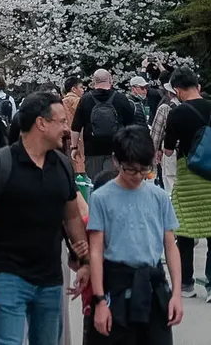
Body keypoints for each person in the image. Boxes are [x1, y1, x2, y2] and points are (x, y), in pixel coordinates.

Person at [0, 91, 90, 341]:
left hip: (50, 279)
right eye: (61, 122)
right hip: (7, 275)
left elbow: (72, 217)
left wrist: (84, 262)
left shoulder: (63, 165)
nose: (67, 129)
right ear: (41, 123)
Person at [86, 126, 183, 344]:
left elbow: (170, 246)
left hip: (152, 284)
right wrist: (100, 300)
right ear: (116, 161)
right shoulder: (101, 198)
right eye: (131, 170)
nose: (138, 176)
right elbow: (96, 252)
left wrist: (176, 294)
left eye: (144, 169)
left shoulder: (159, 197)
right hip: (117, 285)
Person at [160, 66, 211, 300]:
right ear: (197, 86)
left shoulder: (177, 113)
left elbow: (168, 150)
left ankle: (186, 283)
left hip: (189, 175)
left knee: (186, 230)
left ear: (178, 90)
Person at [73, 69, 145, 179]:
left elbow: (76, 127)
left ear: (94, 81)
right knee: (114, 182)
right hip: (116, 149)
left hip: (92, 150)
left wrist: (74, 147)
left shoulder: (85, 99)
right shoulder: (120, 98)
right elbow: (131, 125)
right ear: (110, 79)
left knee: (96, 182)